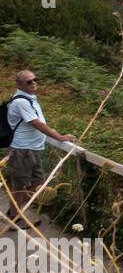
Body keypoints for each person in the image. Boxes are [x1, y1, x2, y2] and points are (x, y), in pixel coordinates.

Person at [5, 70, 75, 225]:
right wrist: (59, 137)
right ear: (19, 84)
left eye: (34, 79)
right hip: (23, 150)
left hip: (33, 149)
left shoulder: (29, 99)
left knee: (37, 183)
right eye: (28, 81)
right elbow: (36, 123)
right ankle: (15, 218)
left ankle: (13, 211)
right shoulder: (21, 102)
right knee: (20, 186)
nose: (33, 83)